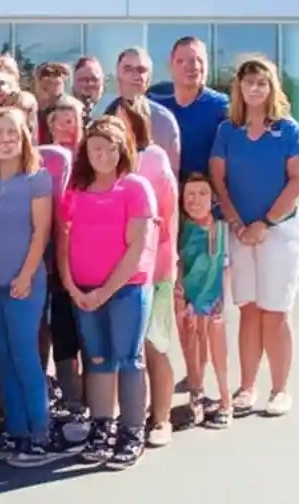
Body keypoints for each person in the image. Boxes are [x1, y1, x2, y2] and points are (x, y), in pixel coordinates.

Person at [210, 56, 299, 419]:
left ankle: (280, 389)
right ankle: (246, 386)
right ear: (239, 88)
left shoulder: (289, 130)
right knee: (248, 309)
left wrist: (264, 223)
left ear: (272, 88)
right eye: (249, 82)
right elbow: (217, 178)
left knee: (275, 311)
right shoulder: (227, 131)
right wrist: (237, 224)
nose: (255, 88)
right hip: (240, 233)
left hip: (277, 232)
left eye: (262, 83)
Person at [60, 117, 157, 470]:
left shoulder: (135, 187)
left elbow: (136, 247)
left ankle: (132, 432)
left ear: (122, 150)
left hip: (125, 290)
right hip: (83, 290)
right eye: (95, 148)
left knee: (128, 358)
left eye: (110, 148)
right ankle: (103, 427)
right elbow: (64, 239)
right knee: (97, 358)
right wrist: (72, 286)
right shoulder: (76, 189)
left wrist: (104, 291)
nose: (102, 154)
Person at [0, 106, 58, 467]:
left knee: (24, 357)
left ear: (24, 138)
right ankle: (16, 429)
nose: (4, 140)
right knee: (1, 358)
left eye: (12, 133)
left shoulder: (36, 178)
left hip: (23, 283)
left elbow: (42, 231)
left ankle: (40, 432)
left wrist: (26, 274)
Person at [113, 96, 180, 447]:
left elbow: (169, 216)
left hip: (155, 269)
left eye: (127, 120)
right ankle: (125, 419)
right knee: (126, 348)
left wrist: (166, 267)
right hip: (117, 271)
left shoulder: (154, 159)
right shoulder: (109, 162)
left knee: (156, 344)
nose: (120, 127)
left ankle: (162, 418)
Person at [40, 96, 85, 435]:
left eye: (74, 120)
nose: (68, 128)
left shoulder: (95, 160)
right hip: (52, 259)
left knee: (91, 332)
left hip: (87, 259)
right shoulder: (44, 161)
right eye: (61, 121)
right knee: (62, 331)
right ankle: (72, 400)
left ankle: (96, 403)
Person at [177, 173, 232, 429]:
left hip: (214, 301)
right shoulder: (182, 229)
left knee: (218, 347)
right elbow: (178, 264)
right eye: (189, 194)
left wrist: (222, 298)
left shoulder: (221, 230)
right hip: (188, 300)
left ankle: (225, 399)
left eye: (202, 194)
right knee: (192, 346)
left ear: (213, 198)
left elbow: (226, 267)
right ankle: (196, 394)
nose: (195, 200)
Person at [155, 37, 229, 178]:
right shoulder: (156, 105)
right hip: (165, 192)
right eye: (181, 61)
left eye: (198, 60)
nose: (192, 66)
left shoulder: (221, 106)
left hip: (205, 195)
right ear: (171, 66)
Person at [109, 48, 180, 174]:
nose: (135, 76)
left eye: (141, 70)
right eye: (128, 69)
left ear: (149, 79)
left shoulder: (164, 122)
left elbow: (170, 176)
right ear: (118, 75)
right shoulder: (103, 116)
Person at [31, 62, 70, 145]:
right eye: (47, 82)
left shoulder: (70, 112)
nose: (51, 87)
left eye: (57, 83)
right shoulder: (29, 112)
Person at [72, 56, 105, 124]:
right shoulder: (61, 115)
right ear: (74, 83)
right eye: (83, 80)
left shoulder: (116, 111)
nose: (89, 84)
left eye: (94, 79)